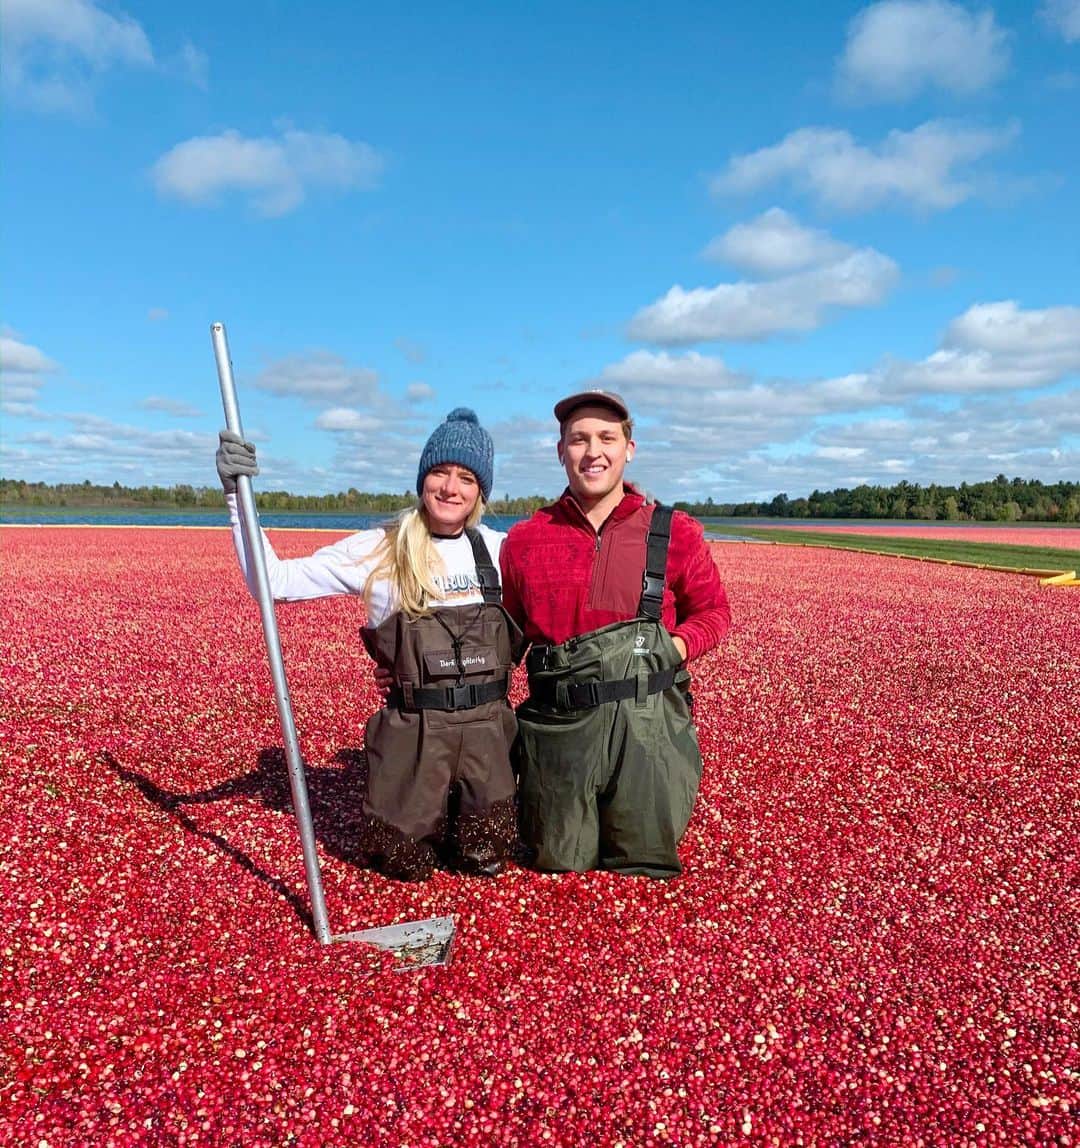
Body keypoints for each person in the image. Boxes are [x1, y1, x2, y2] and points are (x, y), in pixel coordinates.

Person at [215, 408, 523, 882]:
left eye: (466, 477)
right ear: (422, 479)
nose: (450, 488)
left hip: (488, 739)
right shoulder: (379, 548)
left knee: (486, 858)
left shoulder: (501, 551)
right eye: (439, 472)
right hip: (414, 736)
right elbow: (272, 581)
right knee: (401, 865)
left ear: (481, 491)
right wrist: (238, 496)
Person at [499, 389, 731, 879]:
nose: (593, 451)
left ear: (630, 448)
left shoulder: (675, 531)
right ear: (560, 451)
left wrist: (672, 647)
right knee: (557, 867)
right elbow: (507, 636)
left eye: (607, 437)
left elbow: (712, 612)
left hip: (650, 728)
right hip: (558, 730)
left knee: (644, 869)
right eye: (579, 439)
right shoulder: (524, 539)